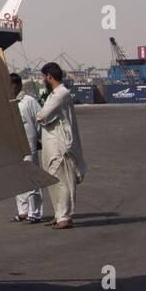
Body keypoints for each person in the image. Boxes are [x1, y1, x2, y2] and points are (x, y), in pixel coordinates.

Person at [35, 62, 87, 229]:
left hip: (60, 145)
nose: (43, 79)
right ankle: (59, 215)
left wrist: (40, 116)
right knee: (53, 180)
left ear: (50, 76)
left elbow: (42, 115)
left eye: (44, 76)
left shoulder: (60, 94)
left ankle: (64, 216)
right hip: (51, 144)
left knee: (63, 180)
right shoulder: (54, 94)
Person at [10, 73, 43, 223]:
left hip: (29, 146)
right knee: (18, 178)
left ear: (17, 85)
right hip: (14, 146)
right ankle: (22, 212)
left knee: (31, 178)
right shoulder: (8, 102)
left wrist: (39, 139)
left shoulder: (29, 101)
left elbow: (40, 119)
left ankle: (34, 213)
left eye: (11, 85)